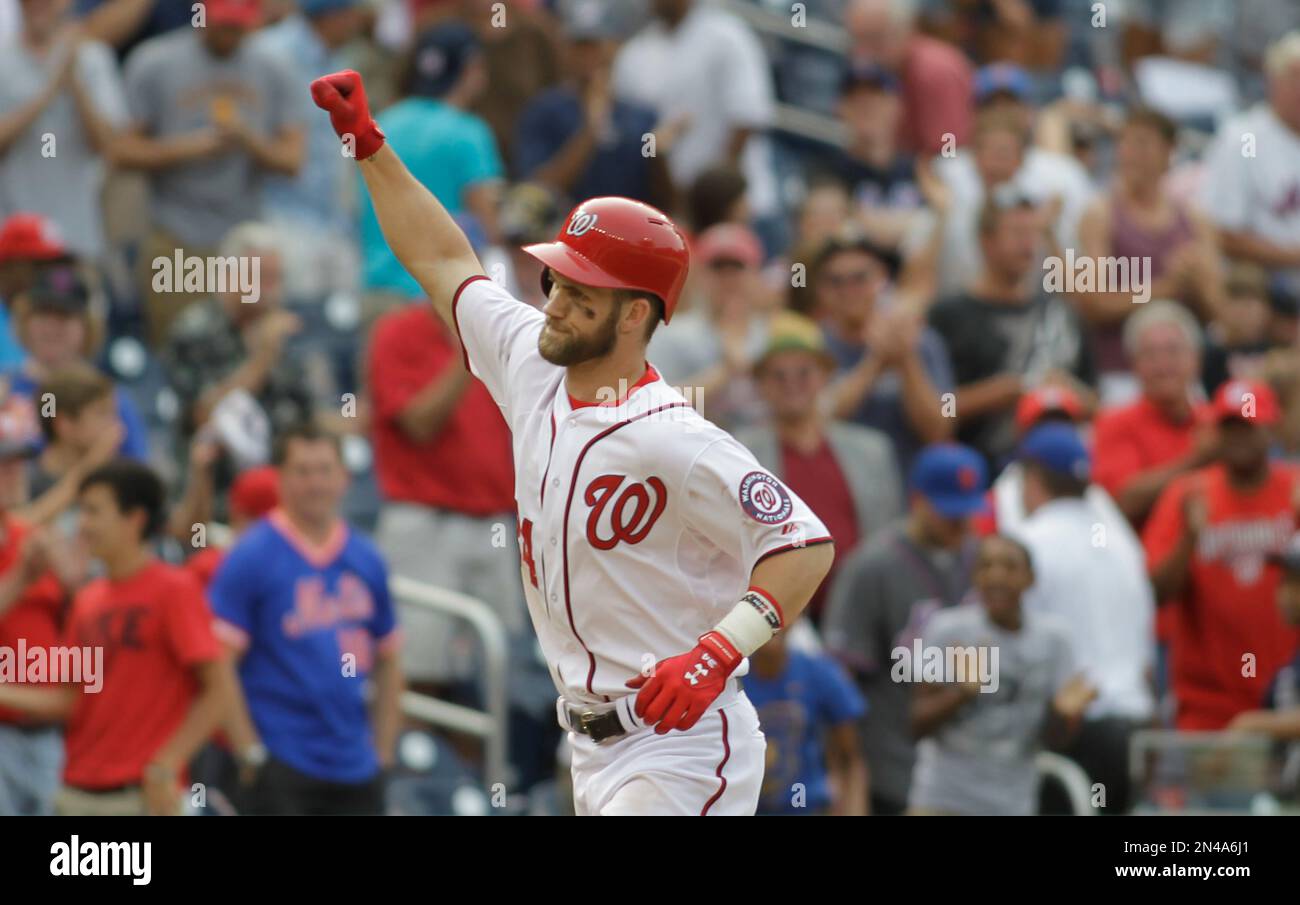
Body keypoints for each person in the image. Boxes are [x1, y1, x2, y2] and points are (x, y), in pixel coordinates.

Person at [313, 68, 835, 815]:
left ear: (633, 317)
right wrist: (369, 146)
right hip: (591, 743)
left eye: (579, 294)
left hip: (679, 746)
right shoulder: (531, 354)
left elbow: (803, 544)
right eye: (556, 281)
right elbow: (441, 260)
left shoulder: (676, 438)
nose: (554, 303)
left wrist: (721, 651)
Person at [0, 459, 233, 815]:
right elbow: (69, 698)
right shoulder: (88, 599)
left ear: (134, 518)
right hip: (75, 790)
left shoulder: (173, 589)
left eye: (94, 511)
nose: (83, 524)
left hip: (139, 794)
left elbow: (218, 690)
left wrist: (165, 764)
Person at [209, 423, 403, 816]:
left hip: (356, 766)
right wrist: (249, 750)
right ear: (279, 478)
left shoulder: (367, 558)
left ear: (345, 479)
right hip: (282, 761)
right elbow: (218, 662)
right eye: (302, 471)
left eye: (324, 470)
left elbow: (390, 659)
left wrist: (382, 750)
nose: (315, 483)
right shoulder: (251, 556)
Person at [116, 0, 306, 343]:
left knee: (248, 346)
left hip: (246, 239)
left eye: (238, 26)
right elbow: (120, 151)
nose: (229, 34)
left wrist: (248, 139)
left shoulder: (274, 66)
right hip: (177, 235)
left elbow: (293, 160)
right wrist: (186, 147)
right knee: (177, 344)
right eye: (222, 24)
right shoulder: (155, 61)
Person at [367, 281, 520, 691]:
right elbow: (418, 423)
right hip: (425, 521)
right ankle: (411, 756)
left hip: (494, 524)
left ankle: (472, 760)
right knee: (416, 675)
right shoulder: (398, 332)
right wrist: (466, 356)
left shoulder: (502, 336)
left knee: (500, 681)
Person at [822, 443, 986, 815]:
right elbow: (840, 677)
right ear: (918, 500)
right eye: (950, 513)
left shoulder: (986, 562)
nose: (961, 523)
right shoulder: (871, 566)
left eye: (968, 512)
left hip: (968, 770)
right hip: (892, 767)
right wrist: (848, 773)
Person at [1010, 423, 1156, 813]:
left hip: (1078, 732)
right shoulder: (1121, 538)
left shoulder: (1029, 543)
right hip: (1137, 727)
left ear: (1033, 478)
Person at [1144, 379, 1300, 730]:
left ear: (1270, 429)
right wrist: (1190, 537)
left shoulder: (1294, 488)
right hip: (1207, 704)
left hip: (1288, 695)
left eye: (1247, 427)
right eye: (1229, 428)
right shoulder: (1188, 493)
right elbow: (1156, 593)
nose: (1237, 438)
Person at [908, 534, 1096, 816]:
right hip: (943, 800)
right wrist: (963, 692)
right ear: (974, 576)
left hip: (1011, 805)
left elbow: (1054, 741)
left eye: (1009, 567)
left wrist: (1062, 714)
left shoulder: (1055, 640)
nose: (997, 576)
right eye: (986, 566)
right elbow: (915, 724)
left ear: (1031, 578)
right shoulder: (948, 631)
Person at [735, 311, 902, 620]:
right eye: (778, 375)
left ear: (824, 377)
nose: (791, 384)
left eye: (804, 373)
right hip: (776, 612)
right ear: (760, 385)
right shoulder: (741, 452)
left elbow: (887, 532)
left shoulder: (872, 450)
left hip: (861, 609)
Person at [927, 190, 1095, 469]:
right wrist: (996, 394)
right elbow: (934, 410)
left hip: (1057, 471)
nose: (1028, 244)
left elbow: (1098, 406)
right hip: (977, 470)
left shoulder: (1063, 313)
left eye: (1034, 233)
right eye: (1017, 233)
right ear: (986, 242)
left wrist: (1069, 392)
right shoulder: (948, 315)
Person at [358, 21, 503, 312]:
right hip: (442, 300)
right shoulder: (468, 133)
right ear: (471, 69)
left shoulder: (382, 123)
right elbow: (491, 224)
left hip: (377, 290)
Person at [1077, 107, 1223, 390]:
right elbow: (1093, 303)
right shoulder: (1099, 216)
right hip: (1121, 375)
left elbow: (1218, 313)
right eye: (1124, 143)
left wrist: (1198, 283)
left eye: (1141, 143)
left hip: (1184, 380)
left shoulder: (1196, 220)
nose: (1129, 153)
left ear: (1169, 151)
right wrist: (1169, 286)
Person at [612, 0, 781, 234]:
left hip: (740, 207)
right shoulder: (635, 52)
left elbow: (747, 117)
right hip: (673, 212)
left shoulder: (728, 35)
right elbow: (643, 144)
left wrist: (718, 197)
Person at [815, 230, 954, 473]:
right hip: (842, 481)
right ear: (821, 289)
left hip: (910, 482)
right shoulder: (813, 345)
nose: (849, 290)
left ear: (882, 279)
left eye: (860, 279)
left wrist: (906, 359)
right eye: (836, 281)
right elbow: (819, 422)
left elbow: (940, 429)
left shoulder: (923, 341)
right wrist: (875, 361)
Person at [0, 0, 129, 259]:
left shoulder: (93, 58)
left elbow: (111, 148)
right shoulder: (4, 58)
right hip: (11, 243)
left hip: (76, 241)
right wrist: (50, 89)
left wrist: (75, 83)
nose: (38, 6)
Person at [513, 0, 671, 211]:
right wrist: (590, 131)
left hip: (628, 232)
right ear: (565, 49)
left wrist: (659, 156)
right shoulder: (542, 112)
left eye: (596, 46)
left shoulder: (641, 116)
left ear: (615, 47)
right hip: (564, 231)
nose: (588, 56)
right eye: (579, 46)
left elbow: (663, 200)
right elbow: (537, 191)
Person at [0, 399, 68, 816]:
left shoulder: (33, 534)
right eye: (4, 462)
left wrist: (77, 586)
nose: (16, 472)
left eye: (21, 461)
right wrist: (21, 577)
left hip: (50, 730)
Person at [6, 262, 148, 459]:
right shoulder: (6, 390)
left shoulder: (110, 399)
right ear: (24, 322)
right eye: (43, 314)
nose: (51, 326)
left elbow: (137, 474)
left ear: (86, 327)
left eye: (64, 316)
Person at [1092, 301, 1215, 526]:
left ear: (1196, 360)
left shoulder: (1216, 421)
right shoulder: (1114, 422)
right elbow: (1123, 500)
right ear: (1134, 365)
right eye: (1150, 354)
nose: (1163, 364)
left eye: (1173, 351)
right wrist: (1198, 459)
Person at [1199, 32, 1300, 299]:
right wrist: (1294, 257)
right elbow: (1222, 233)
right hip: (1261, 288)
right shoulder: (1243, 137)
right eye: (1296, 77)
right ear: (1273, 80)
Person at [646, 222, 772, 432]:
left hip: (764, 454)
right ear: (701, 276)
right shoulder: (671, 334)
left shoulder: (776, 332)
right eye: (718, 269)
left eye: (737, 269)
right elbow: (656, 408)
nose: (728, 280)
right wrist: (726, 370)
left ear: (755, 274)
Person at [744, 626, 868, 816]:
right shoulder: (728, 678)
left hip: (804, 806)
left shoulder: (819, 672)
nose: (770, 626)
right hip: (744, 807)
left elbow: (850, 759)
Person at [844, 0, 973, 157]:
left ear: (902, 31)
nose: (862, 53)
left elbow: (950, 154)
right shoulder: (876, 74)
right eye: (856, 39)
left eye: (873, 39)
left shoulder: (935, 71)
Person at [1229, 533, 1300, 755]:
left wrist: (1251, 724)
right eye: (1283, 581)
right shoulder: (1291, 662)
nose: (1284, 594)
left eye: (1295, 583)